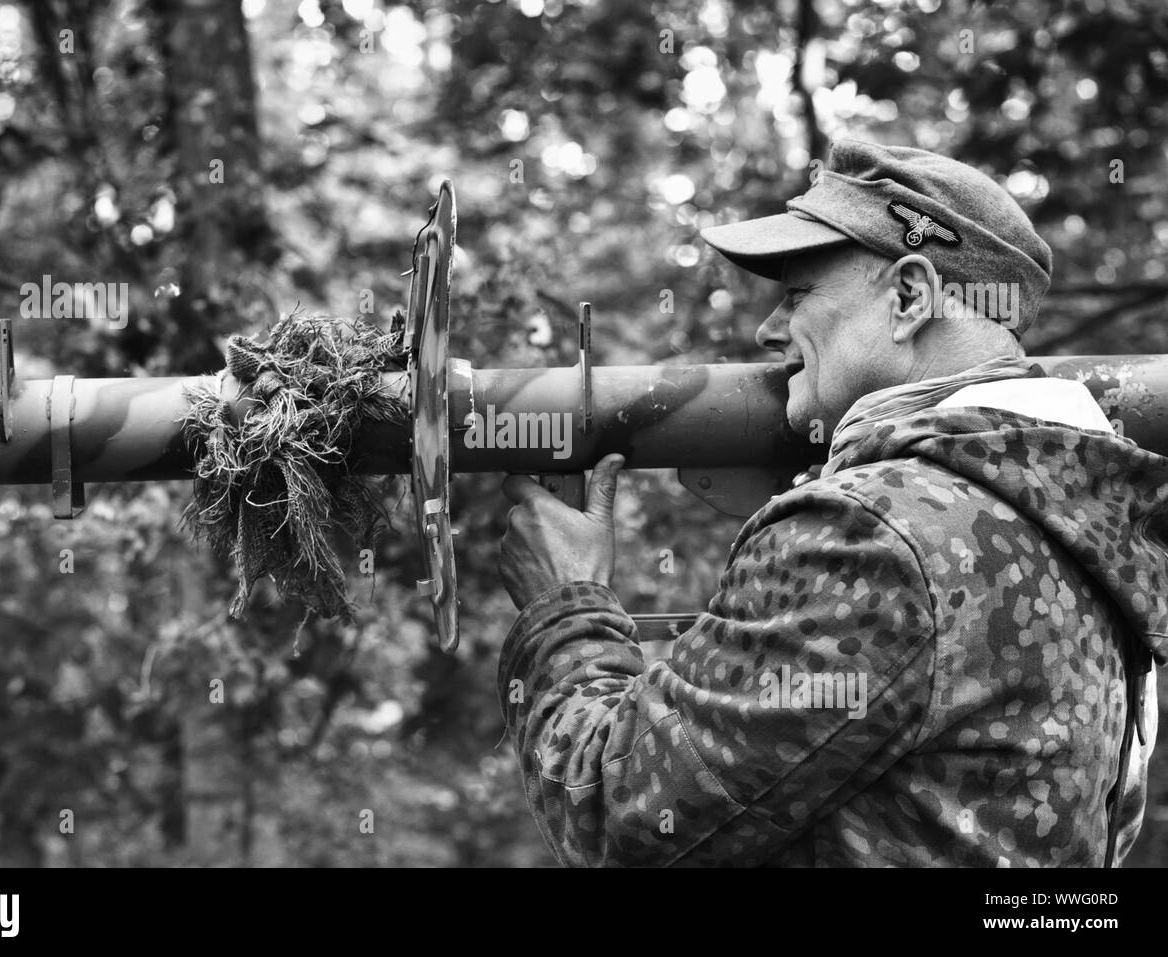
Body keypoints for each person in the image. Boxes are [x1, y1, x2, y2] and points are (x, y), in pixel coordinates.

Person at [497, 138, 1165, 866]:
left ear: (909, 298)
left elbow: (618, 815)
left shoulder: (874, 535)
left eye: (798, 296)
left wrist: (566, 607)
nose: (767, 330)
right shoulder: (1092, 525)